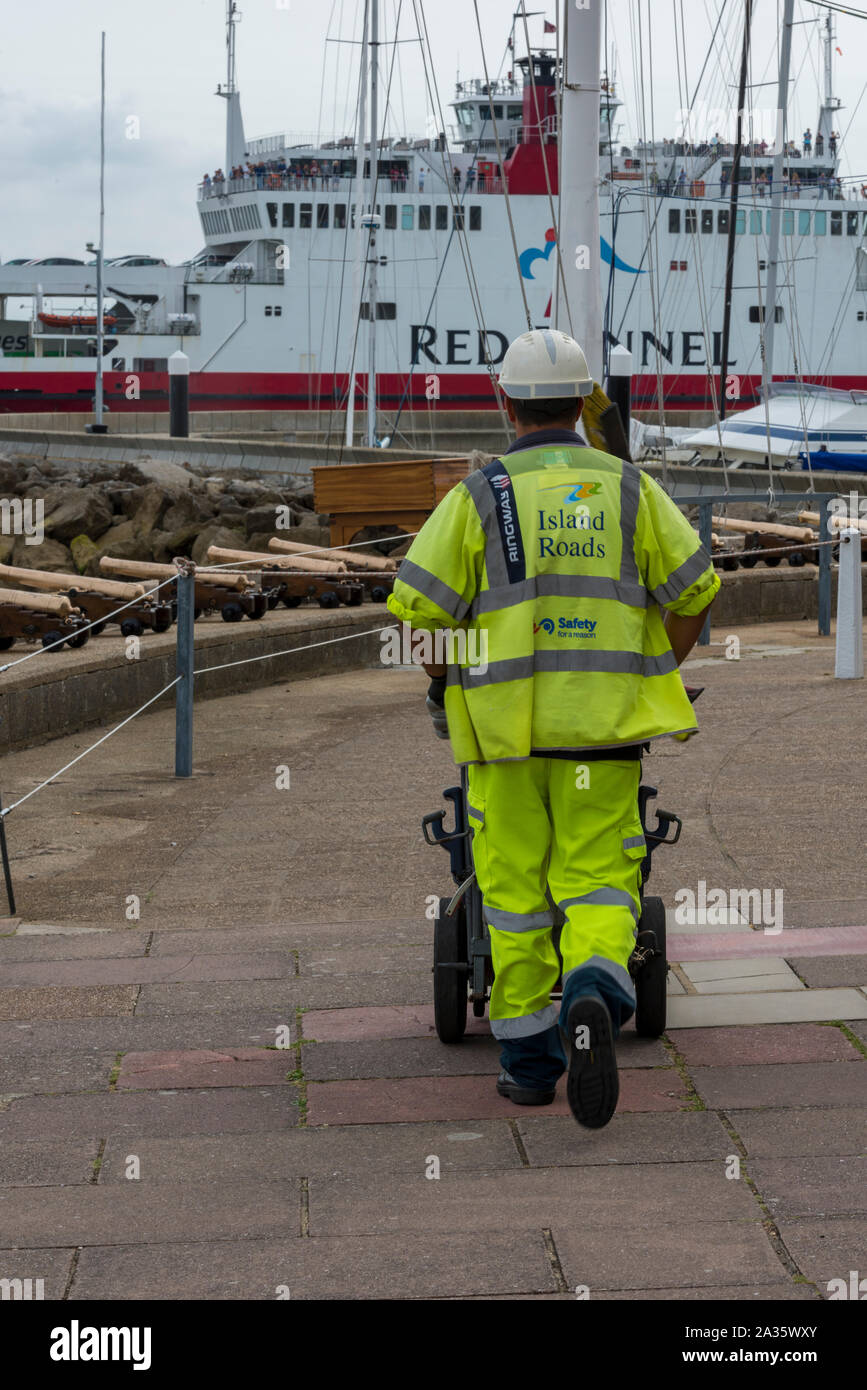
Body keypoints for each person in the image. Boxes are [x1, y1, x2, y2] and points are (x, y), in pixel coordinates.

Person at [387, 329, 719, 1129]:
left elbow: (417, 616)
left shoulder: (477, 495)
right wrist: (653, 673)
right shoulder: (629, 489)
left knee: (510, 898)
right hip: (601, 739)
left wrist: (451, 679)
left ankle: (529, 1068)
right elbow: (695, 590)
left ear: (503, 403)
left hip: (503, 745)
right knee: (599, 879)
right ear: (581, 405)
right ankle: (594, 991)